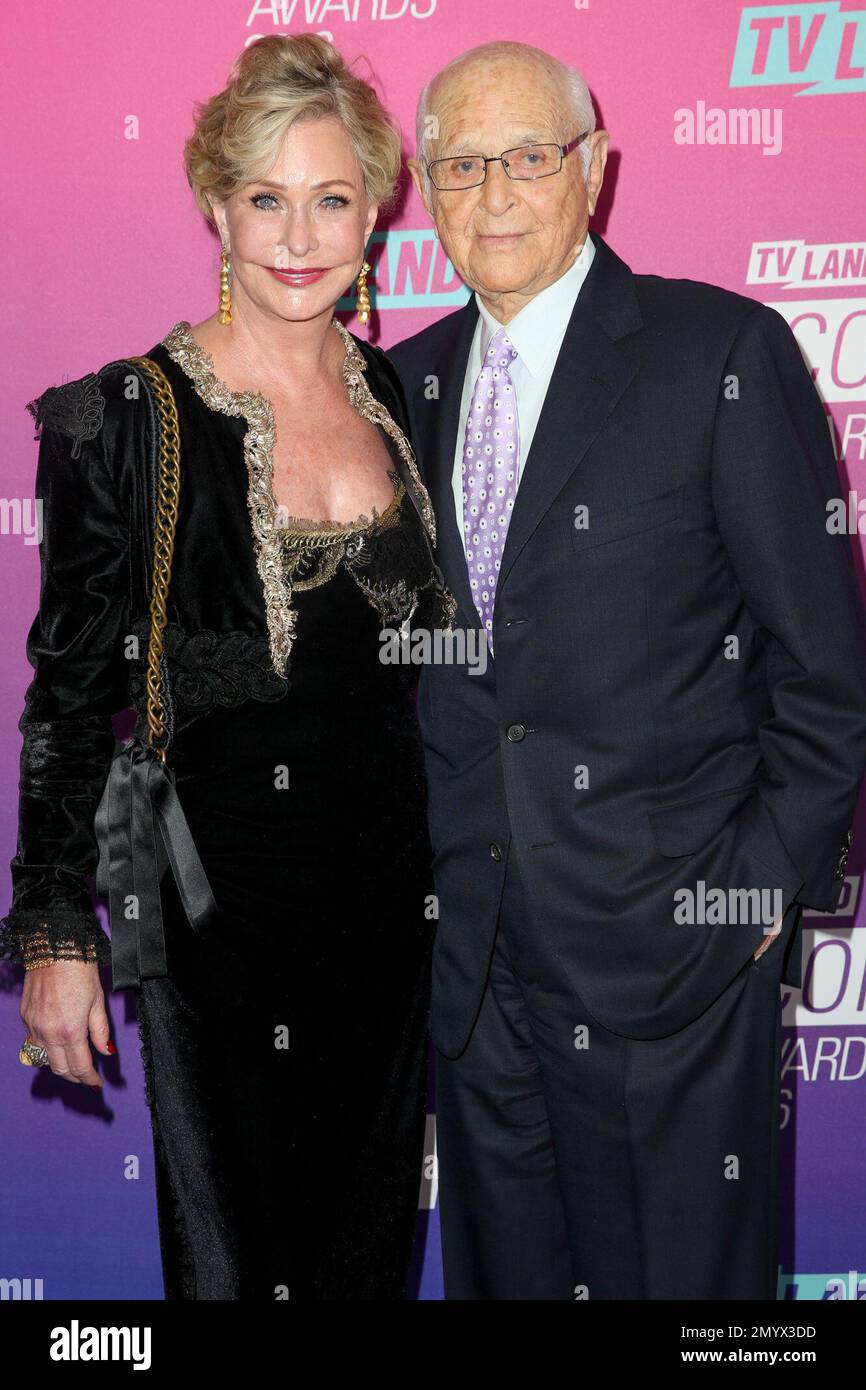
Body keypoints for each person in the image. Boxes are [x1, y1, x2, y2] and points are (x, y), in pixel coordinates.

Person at [388, 40, 866, 1299]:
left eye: (527, 158)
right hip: (476, 977)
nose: (492, 194)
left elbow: (822, 667)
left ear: (592, 171)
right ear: (426, 193)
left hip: (674, 962)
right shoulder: (400, 387)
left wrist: (755, 898)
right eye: (459, 165)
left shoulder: (718, 353)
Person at [2, 33, 453, 1301]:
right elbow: (66, 693)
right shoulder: (122, 419)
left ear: (375, 211)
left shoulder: (393, 392)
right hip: (217, 917)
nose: (297, 235)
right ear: (214, 202)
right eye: (265, 198)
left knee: (364, 1254)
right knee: (237, 1265)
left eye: (329, 198)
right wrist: (53, 931)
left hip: (390, 913)